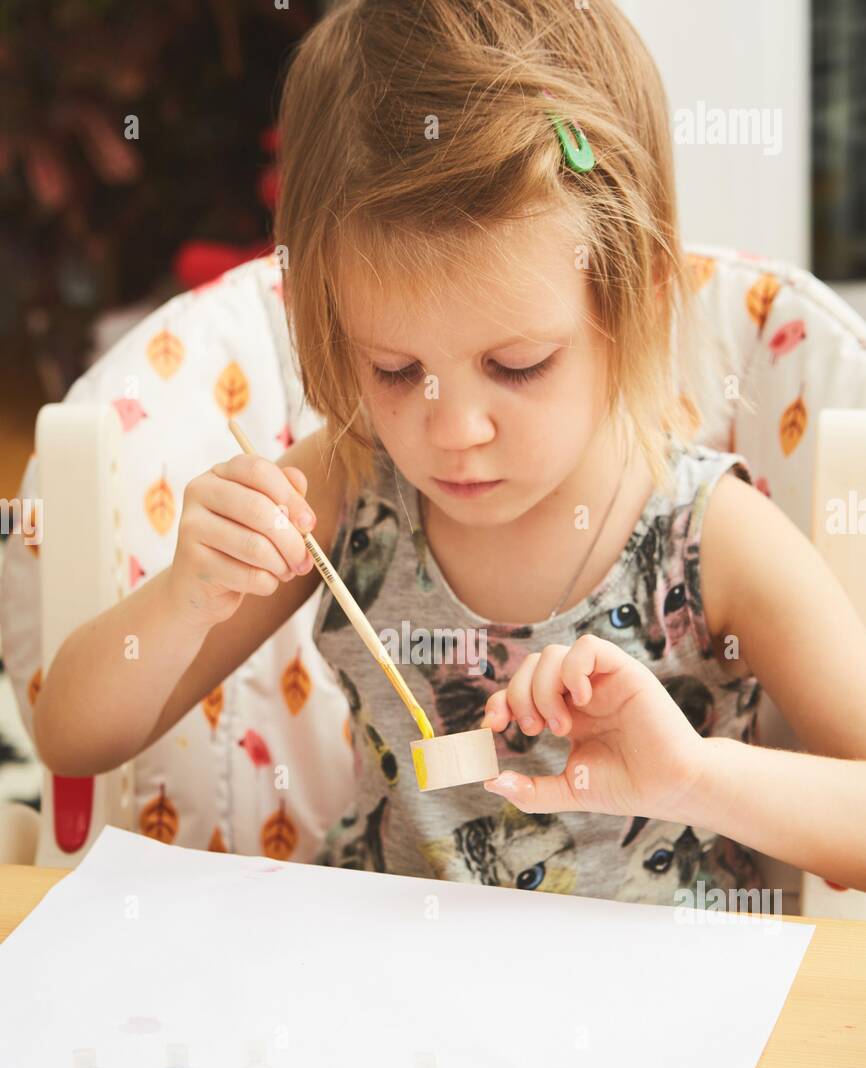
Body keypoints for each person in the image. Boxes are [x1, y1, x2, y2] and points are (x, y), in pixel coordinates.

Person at [34, 0, 866, 904]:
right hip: (385, 1006)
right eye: (395, 370)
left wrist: (695, 776)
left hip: (658, 1017)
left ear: (642, 302)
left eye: (518, 365)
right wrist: (183, 599)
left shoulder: (709, 537)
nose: (453, 429)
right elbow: (73, 739)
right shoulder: (347, 487)